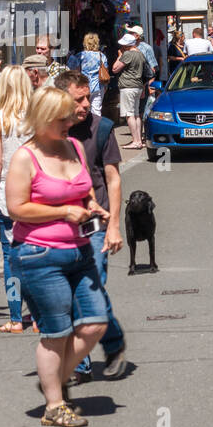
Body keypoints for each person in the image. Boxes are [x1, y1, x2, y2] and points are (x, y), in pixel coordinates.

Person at [7, 86, 110, 427]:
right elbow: (16, 208)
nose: (71, 121)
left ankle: (54, 379)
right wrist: (64, 212)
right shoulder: (26, 156)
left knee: (95, 322)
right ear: (42, 119)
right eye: (62, 117)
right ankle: (54, 405)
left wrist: (91, 206)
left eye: (71, 115)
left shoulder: (76, 147)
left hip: (81, 251)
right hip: (39, 254)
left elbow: (85, 191)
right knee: (57, 331)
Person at [55, 70, 127, 381]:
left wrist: (114, 226)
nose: (86, 104)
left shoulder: (102, 128)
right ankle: (99, 349)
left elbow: (112, 179)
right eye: (78, 99)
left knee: (90, 286)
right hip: (60, 224)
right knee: (70, 292)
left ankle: (91, 355)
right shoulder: (51, 132)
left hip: (96, 223)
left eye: (87, 97)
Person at [0, 64, 33, 332]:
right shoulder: (37, 115)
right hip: (36, 191)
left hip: (6, 193)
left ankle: (16, 317)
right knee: (37, 253)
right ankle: (37, 315)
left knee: (10, 256)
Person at [113, 32, 149, 148]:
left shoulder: (127, 54)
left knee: (129, 114)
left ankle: (136, 141)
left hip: (128, 86)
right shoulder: (140, 54)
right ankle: (139, 140)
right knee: (136, 114)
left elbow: (115, 69)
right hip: (138, 86)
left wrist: (119, 55)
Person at [74, 31, 109, 116]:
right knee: (97, 110)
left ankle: (86, 128)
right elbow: (106, 71)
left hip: (84, 86)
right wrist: (105, 86)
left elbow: (76, 72)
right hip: (98, 86)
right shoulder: (102, 56)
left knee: (83, 109)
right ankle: (96, 128)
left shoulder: (80, 55)